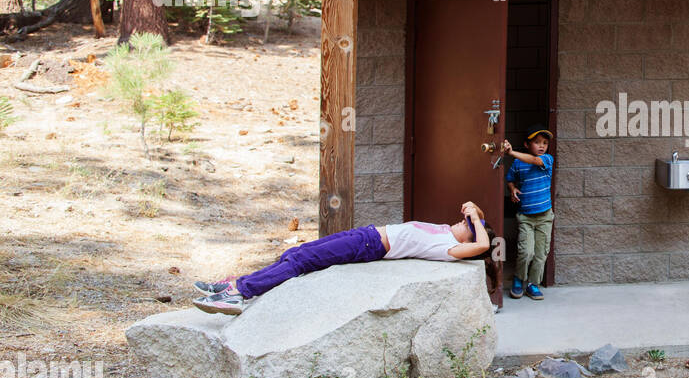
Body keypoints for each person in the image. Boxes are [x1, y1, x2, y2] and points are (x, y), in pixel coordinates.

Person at [193, 201, 497, 315]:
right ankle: (234, 285)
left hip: (369, 247)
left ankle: (240, 293)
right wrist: (474, 211)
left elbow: (483, 245)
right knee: (296, 252)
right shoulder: (449, 230)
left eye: (468, 226)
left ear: (470, 238)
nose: (463, 222)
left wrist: (476, 222)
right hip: (365, 235)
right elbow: (479, 219)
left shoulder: (449, 248)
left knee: (301, 263)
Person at [503, 125, 555, 300]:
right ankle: (519, 279)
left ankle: (533, 284)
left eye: (545, 143)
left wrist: (511, 152)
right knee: (526, 252)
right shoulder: (518, 164)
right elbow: (509, 178)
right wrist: (512, 189)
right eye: (537, 142)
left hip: (545, 217)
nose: (541, 146)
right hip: (526, 216)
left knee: (540, 254)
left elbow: (534, 161)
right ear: (527, 144)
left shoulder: (547, 160)